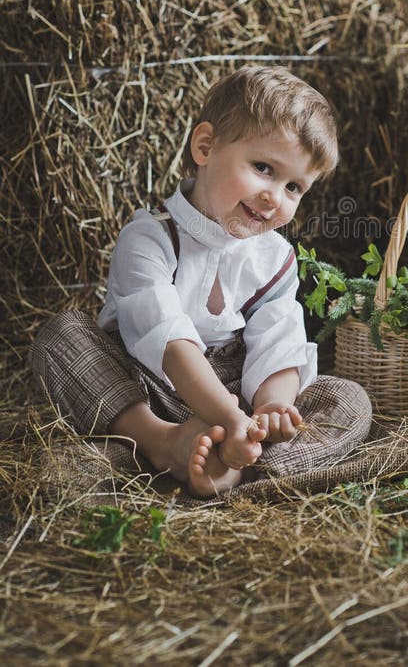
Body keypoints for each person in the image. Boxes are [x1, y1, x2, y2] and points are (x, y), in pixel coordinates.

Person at [29, 66, 371, 497]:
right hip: (148, 387)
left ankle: (238, 466)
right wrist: (226, 415)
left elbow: (278, 344)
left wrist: (270, 408)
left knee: (349, 400)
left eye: (294, 188)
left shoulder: (276, 259)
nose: (274, 198)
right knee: (62, 336)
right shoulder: (150, 237)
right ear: (205, 146)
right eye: (263, 167)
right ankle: (161, 441)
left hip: (238, 393)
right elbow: (169, 344)